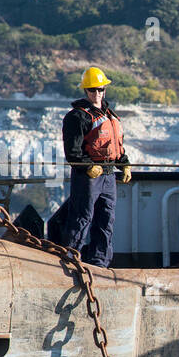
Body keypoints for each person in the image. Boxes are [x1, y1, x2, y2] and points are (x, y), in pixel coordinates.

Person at [56, 66, 131, 268]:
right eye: (92, 90)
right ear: (85, 91)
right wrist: (88, 167)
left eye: (100, 89)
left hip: (108, 176)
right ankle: (70, 260)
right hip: (88, 177)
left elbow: (116, 146)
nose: (97, 94)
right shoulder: (77, 117)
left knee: (106, 220)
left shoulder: (109, 115)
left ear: (104, 90)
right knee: (82, 217)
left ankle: (100, 263)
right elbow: (73, 152)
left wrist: (124, 165)